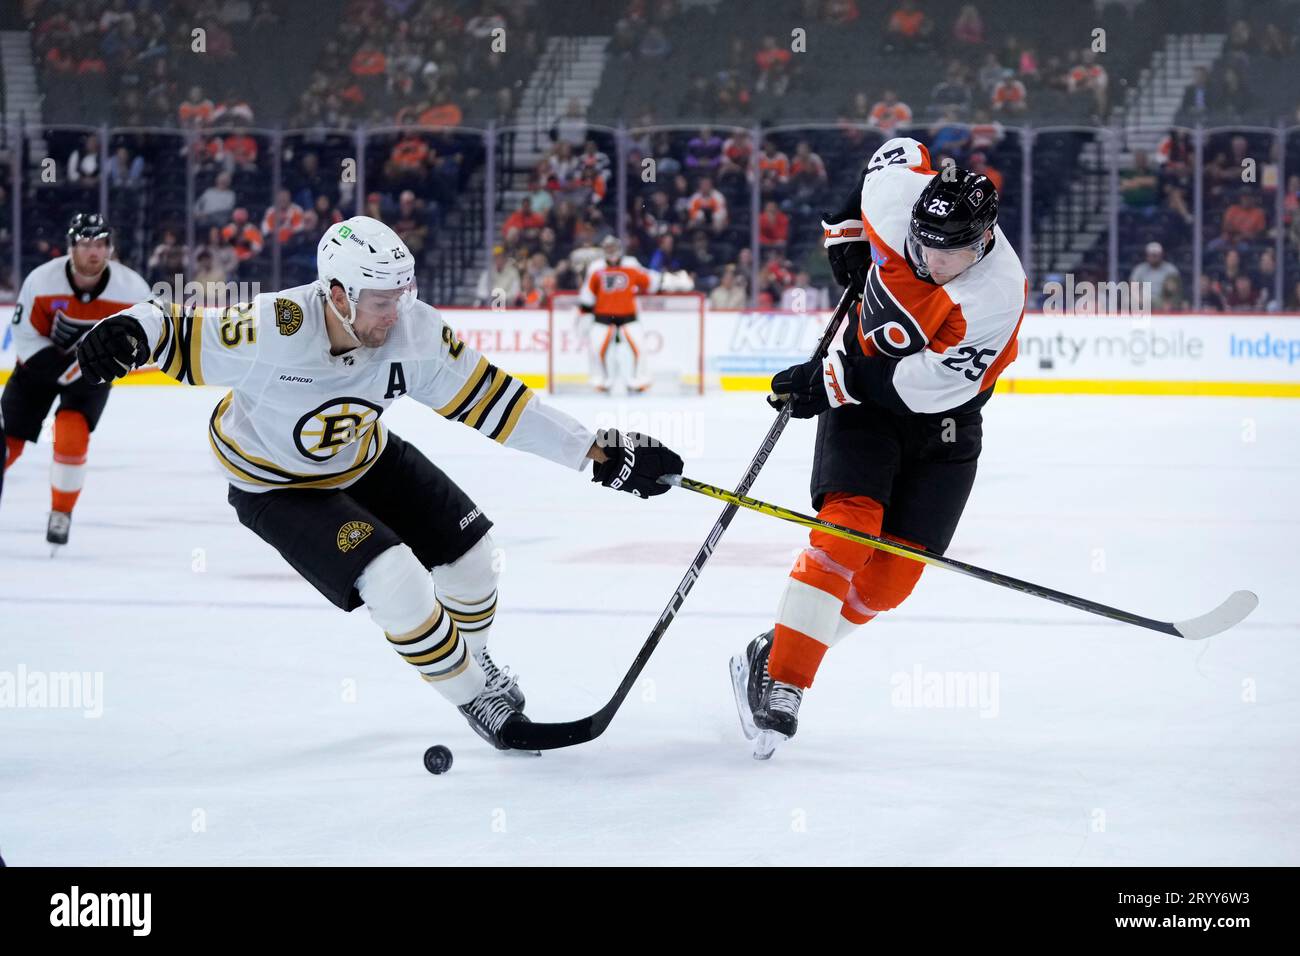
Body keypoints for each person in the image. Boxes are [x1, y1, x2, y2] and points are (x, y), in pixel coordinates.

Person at [75, 216, 684, 750]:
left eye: (401, 295)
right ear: (336, 294)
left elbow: (498, 403)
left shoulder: (414, 331)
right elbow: (177, 332)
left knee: (476, 560)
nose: (395, 313)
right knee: (393, 576)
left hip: (362, 456)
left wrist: (600, 454)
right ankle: (475, 696)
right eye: (379, 301)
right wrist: (129, 330)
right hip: (272, 485)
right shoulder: (276, 327)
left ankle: (473, 662)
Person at [730, 137, 1027, 758]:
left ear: (983, 244)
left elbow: (923, 390)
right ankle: (785, 680)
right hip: (865, 408)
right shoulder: (900, 201)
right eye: (925, 245)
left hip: (941, 415)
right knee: (847, 531)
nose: (932, 262)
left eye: (952, 254)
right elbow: (893, 154)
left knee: (890, 580)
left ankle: (776, 644)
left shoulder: (994, 293)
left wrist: (824, 382)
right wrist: (843, 236)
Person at [1, 213, 151, 549]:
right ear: (71, 248)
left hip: (92, 377)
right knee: (7, 443)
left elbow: (147, 339)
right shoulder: (41, 281)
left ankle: (61, 513)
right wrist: (58, 368)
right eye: (85, 244)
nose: (93, 252)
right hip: (35, 370)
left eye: (101, 244)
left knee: (71, 434)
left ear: (110, 249)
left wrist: (120, 358)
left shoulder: (132, 289)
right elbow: (25, 334)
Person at [578, 236, 693, 393]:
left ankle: (639, 381)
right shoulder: (596, 268)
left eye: (613, 247)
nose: (611, 251)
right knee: (597, 351)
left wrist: (673, 282)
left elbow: (650, 279)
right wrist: (584, 315)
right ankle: (601, 381)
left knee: (639, 349)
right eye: (608, 248)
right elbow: (587, 294)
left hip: (628, 316)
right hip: (602, 317)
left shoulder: (630, 265)